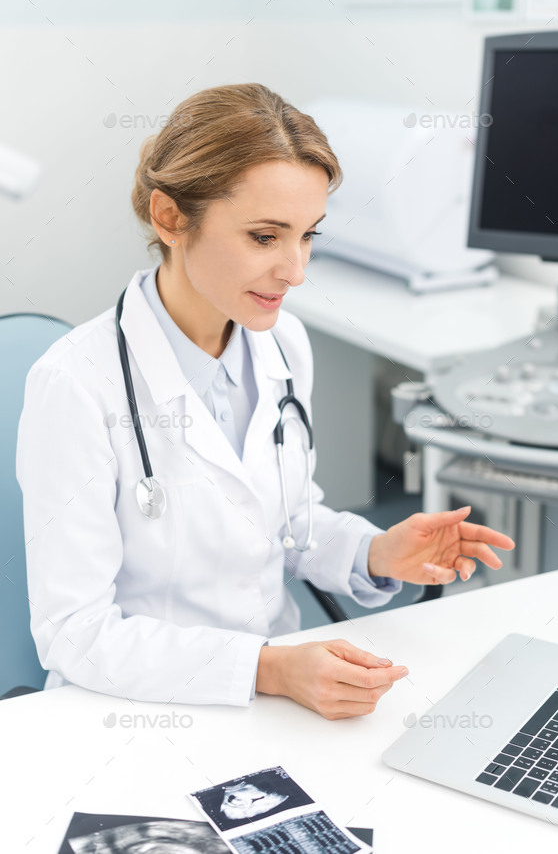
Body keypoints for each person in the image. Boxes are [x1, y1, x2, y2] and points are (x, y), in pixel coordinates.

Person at [16, 82, 515, 721]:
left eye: (307, 236)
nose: (295, 270)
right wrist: (266, 668)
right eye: (264, 237)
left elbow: (285, 523)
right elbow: (75, 632)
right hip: (128, 711)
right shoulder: (77, 383)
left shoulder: (283, 345)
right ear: (170, 218)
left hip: (271, 697)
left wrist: (374, 552)